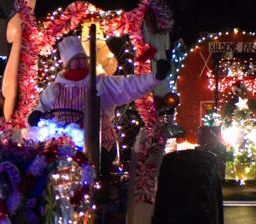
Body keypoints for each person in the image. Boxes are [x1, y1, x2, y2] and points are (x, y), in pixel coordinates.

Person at [29, 36, 170, 152]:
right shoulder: (56, 88)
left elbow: (128, 85)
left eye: (82, 58)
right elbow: (41, 106)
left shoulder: (100, 84)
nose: (80, 62)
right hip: (61, 145)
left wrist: (155, 77)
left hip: (95, 145)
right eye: (75, 59)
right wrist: (36, 113)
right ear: (67, 63)